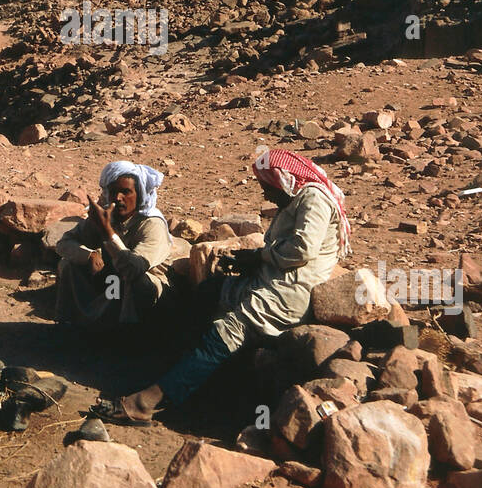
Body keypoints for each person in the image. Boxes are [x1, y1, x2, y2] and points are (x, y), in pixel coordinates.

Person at [93, 148, 351, 424]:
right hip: (269, 281)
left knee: (226, 332)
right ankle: (175, 378)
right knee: (208, 292)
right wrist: (251, 261)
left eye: (267, 187)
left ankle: (145, 404)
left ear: (283, 180)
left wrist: (260, 256)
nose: (265, 195)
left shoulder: (314, 200)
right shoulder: (297, 200)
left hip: (286, 294)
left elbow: (301, 250)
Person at [45, 160, 174, 331]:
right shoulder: (107, 217)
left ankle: (127, 334)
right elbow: (64, 243)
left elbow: (134, 267)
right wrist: (88, 255)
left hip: (145, 289)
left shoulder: (151, 224)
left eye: (126, 192)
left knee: (134, 281)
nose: (118, 198)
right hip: (113, 282)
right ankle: (71, 324)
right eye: (114, 192)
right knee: (68, 265)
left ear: (140, 194)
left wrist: (108, 232)